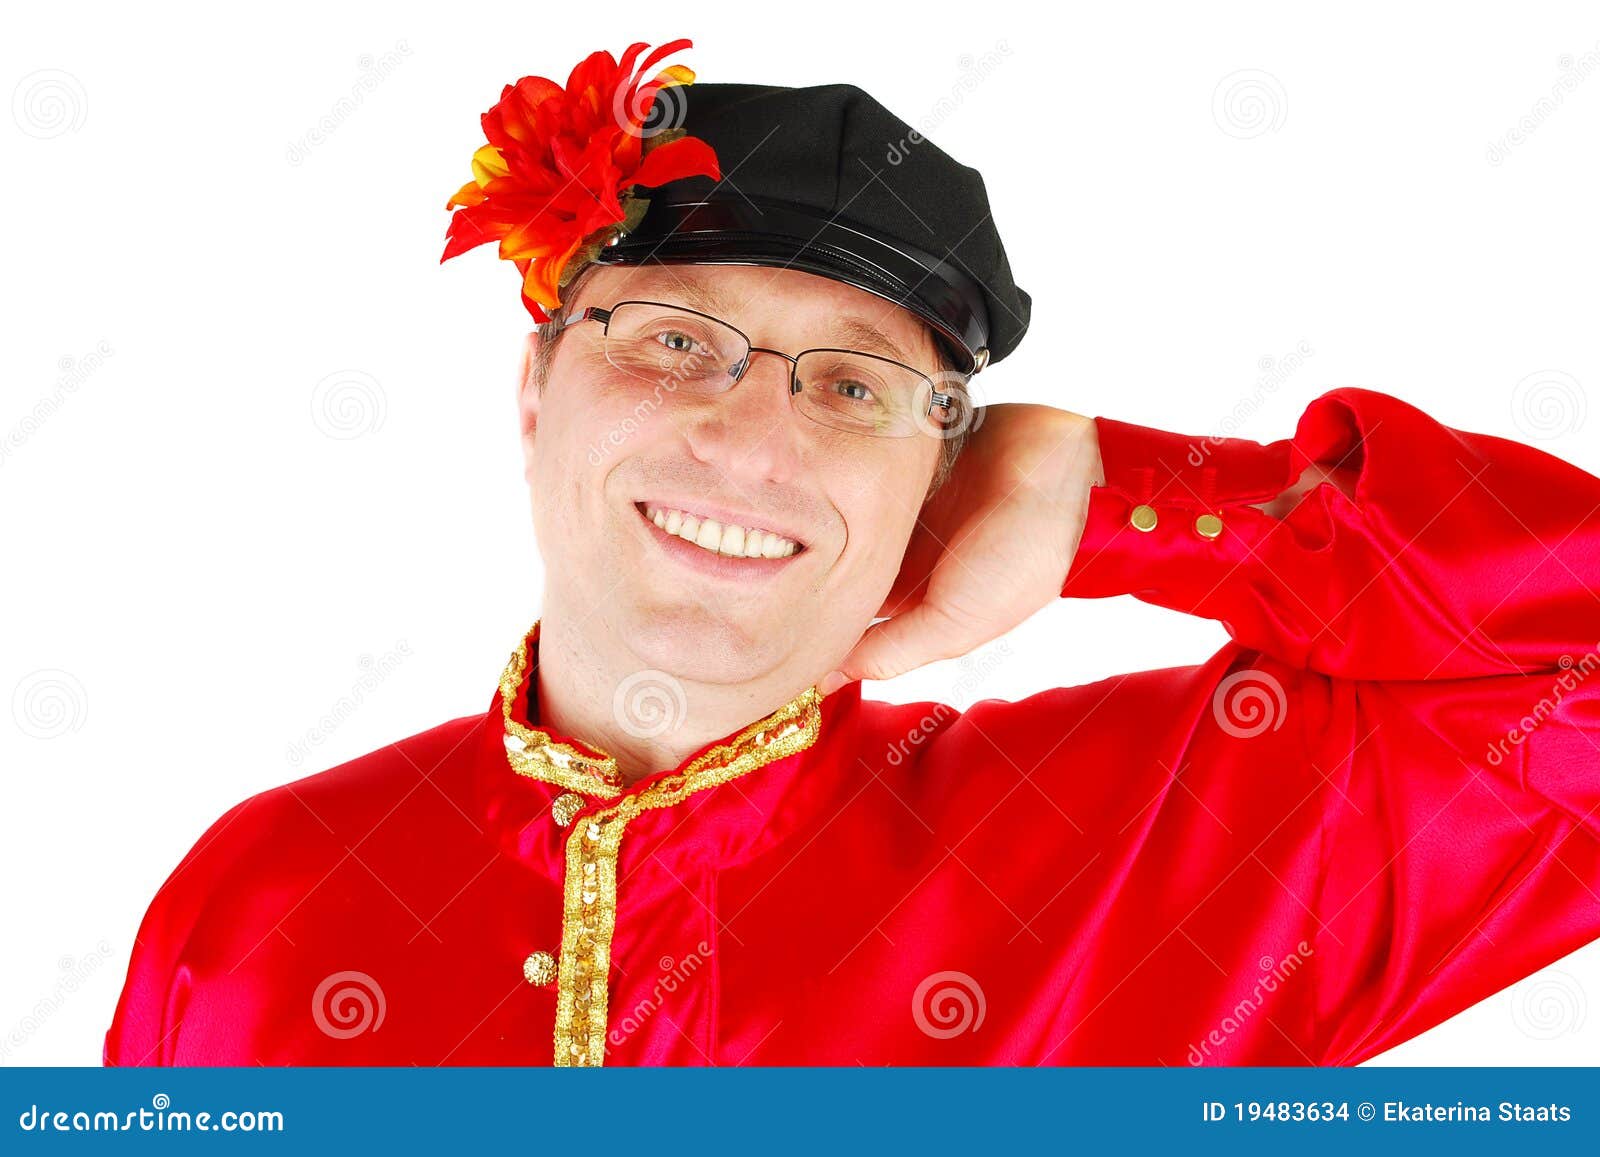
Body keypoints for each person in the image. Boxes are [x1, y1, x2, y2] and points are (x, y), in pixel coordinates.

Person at [103, 39, 1600, 1067]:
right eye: (679, 341)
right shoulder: (256, 902)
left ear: (941, 474)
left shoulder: (1183, 850)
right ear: (535, 390)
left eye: (855, 385)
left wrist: (1123, 496)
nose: (756, 444)